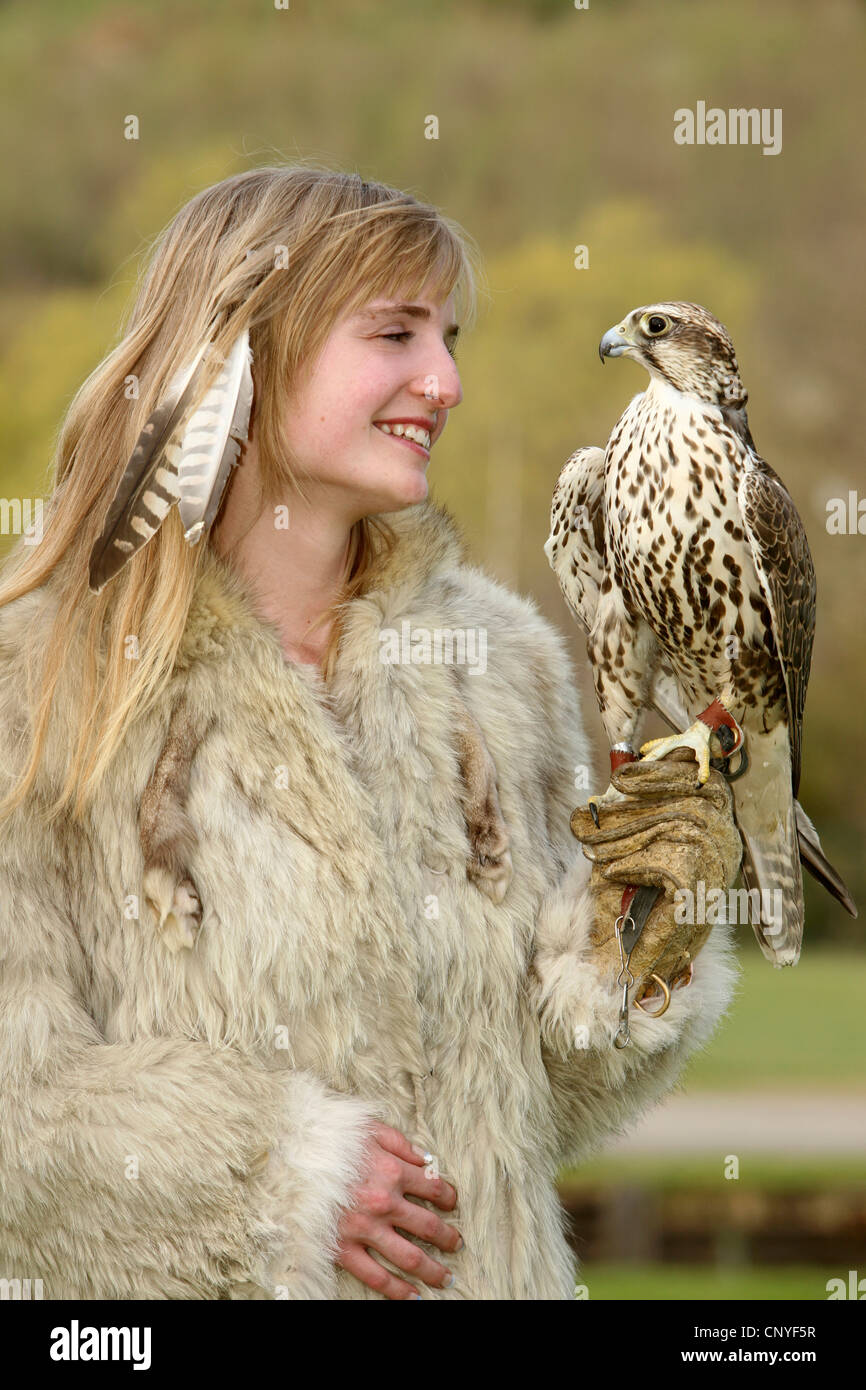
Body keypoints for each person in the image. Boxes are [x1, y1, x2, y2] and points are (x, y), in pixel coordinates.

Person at [0, 165, 742, 1300]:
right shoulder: (39, 682)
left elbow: (541, 1098)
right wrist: (277, 1177)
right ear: (245, 348)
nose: (443, 380)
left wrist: (632, 942)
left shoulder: (502, 667)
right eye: (393, 333)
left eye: (447, 336)